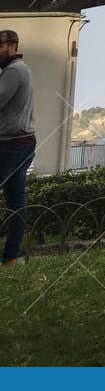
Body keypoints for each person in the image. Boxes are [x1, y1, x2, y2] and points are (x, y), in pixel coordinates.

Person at [0, 29, 36, 266]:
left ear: (13, 45)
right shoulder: (19, 70)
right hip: (23, 142)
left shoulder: (14, 71)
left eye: (0, 46)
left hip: (11, 143)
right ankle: (11, 256)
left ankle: (11, 255)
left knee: (15, 200)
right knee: (15, 200)